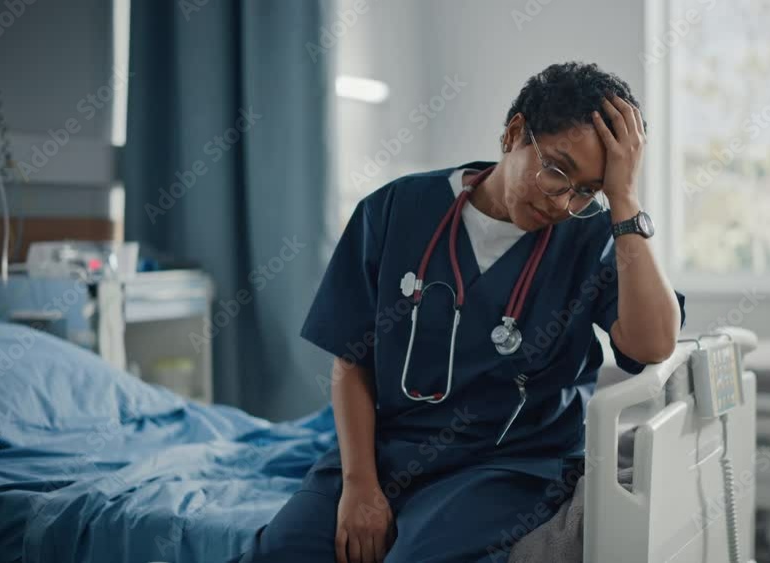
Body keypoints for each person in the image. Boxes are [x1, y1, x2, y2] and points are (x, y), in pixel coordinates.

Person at [232, 61, 685, 563]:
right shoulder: (394, 211)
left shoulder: (594, 235)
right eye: (557, 170)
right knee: (282, 551)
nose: (564, 201)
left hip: (511, 465)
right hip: (388, 452)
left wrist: (622, 200)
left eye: (587, 189)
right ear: (514, 133)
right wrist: (360, 484)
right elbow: (352, 359)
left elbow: (654, 344)